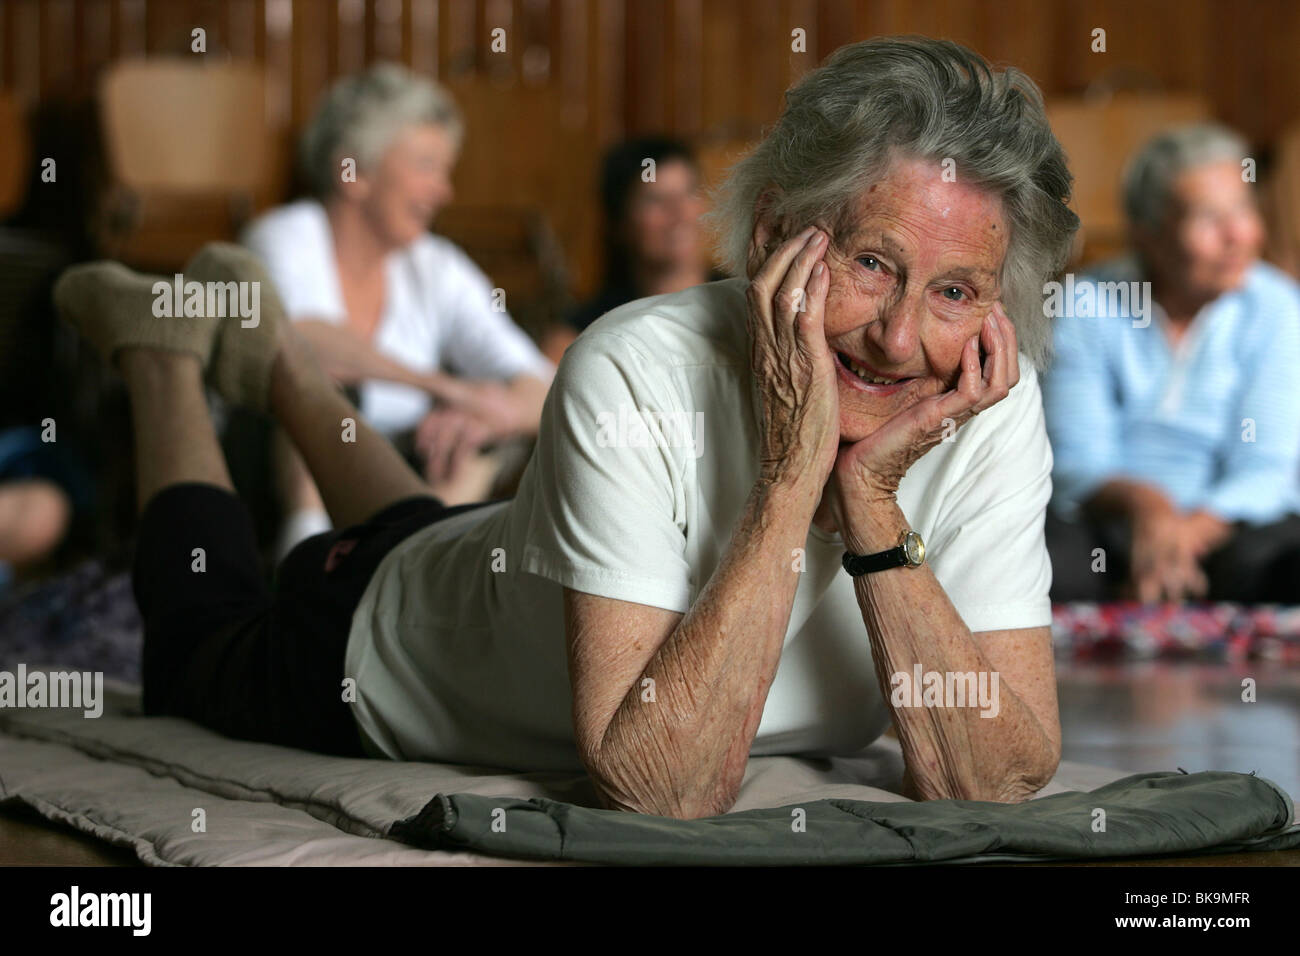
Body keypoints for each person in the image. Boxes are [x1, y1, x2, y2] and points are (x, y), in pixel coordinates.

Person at [55, 35, 1078, 819]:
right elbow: (663, 789)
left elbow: (993, 779)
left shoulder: (989, 403)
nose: (899, 337)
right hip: (373, 644)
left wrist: (868, 500)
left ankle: (277, 353)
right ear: (774, 231)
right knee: (197, 646)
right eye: (872, 263)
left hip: (481, 566)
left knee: (418, 531)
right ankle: (160, 358)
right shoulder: (632, 368)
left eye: (954, 291)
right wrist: (792, 473)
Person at [241, 64, 555, 555]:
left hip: (400, 486)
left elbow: (543, 384)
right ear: (355, 173)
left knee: (483, 438)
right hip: (269, 477)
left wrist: (491, 415)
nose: (444, 191)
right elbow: (300, 341)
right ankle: (306, 566)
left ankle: (420, 563)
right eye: (426, 166)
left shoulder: (436, 265)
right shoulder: (286, 235)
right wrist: (448, 389)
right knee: (318, 393)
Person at [1043, 124, 1300, 604]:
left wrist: (1182, 535)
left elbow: (1265, 467)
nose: (1237, 236)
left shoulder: (1278, 307)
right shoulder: (1086, 302)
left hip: (1229, 528)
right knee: (1035, 562)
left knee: (1282, 559)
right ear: (1147, 236)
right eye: (1208, 218)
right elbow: (1078, 461)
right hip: (1111, 522)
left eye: (1243, 210)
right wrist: (1149, 507)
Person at [541, 137, 722, 360]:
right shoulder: (577, 337)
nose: (680, 213)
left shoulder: (745, 303)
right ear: (619, 222)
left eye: (690, 193)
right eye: (655, 199)